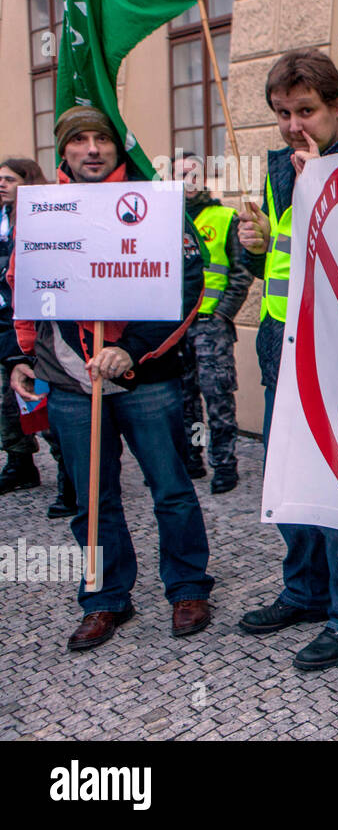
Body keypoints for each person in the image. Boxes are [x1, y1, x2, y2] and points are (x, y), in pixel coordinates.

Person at [8, 106, 213, 650]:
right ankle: (104, 600)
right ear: (64, 152)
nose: (92, 149)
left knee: (170, 490)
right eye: (80, 141)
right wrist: (20, 355)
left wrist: (131, 349)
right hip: (73, 384)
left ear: (118, 148)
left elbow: (187, 285)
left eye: (102, 138)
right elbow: (21, 284)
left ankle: (188, 588)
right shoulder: (41, 209)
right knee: (93, 501)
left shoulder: (155, 203)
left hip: (147, 381)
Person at [236, 48, 338, 671]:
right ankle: (305, 592)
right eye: (281, 113)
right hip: (284, 341)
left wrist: (323, 175)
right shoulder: (283, 167)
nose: (292, 124)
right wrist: (251, 248)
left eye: (306, 110)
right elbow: (281, 259)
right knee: (293, 478)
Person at [0, 157, 77, 517]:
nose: (2, 184)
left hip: (39, 324)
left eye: (9, 179)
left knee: (47, 408)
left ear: (28, 182)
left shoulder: (42, 220)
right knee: (11, 405)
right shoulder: (1, 219)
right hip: (7, 324)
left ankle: (71, 481)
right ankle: (20, 463)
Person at [175, 151, 250, 494]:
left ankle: (224, 465)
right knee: (185, 399)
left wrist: (223, 313)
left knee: (217, 396)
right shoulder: (165, 219)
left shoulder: (225, 217)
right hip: (176, 328)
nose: (187, 181)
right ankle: (193, 459)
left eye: (194, 174)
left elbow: (241, 270)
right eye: (180, 175)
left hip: (211, 324)